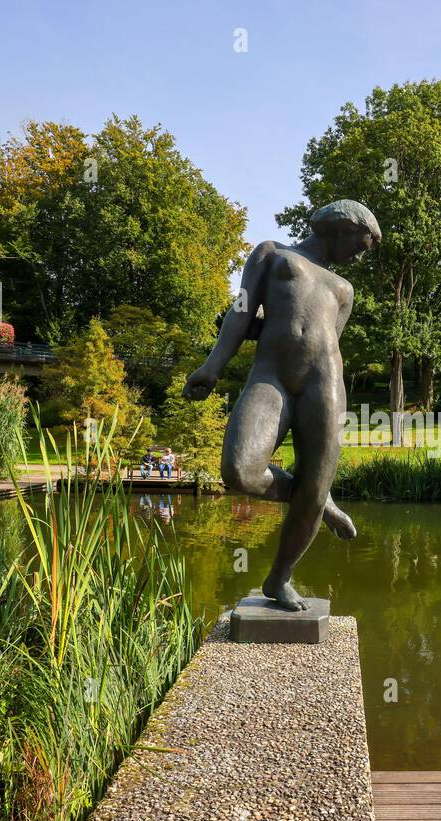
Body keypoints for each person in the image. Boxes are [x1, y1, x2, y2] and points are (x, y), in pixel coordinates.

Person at [182, 199, 381, 611]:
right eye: (358, 247)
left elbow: (324, 338)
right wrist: (212, 367)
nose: (358, 258)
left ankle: (280, 577)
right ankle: (318, 499)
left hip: (324, 384)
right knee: (239, 470)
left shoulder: (344, 289)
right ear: (341, 228)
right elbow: (240, 312)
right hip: (270, 378)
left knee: (316, 481)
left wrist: (270, 328)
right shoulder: (272, 254)